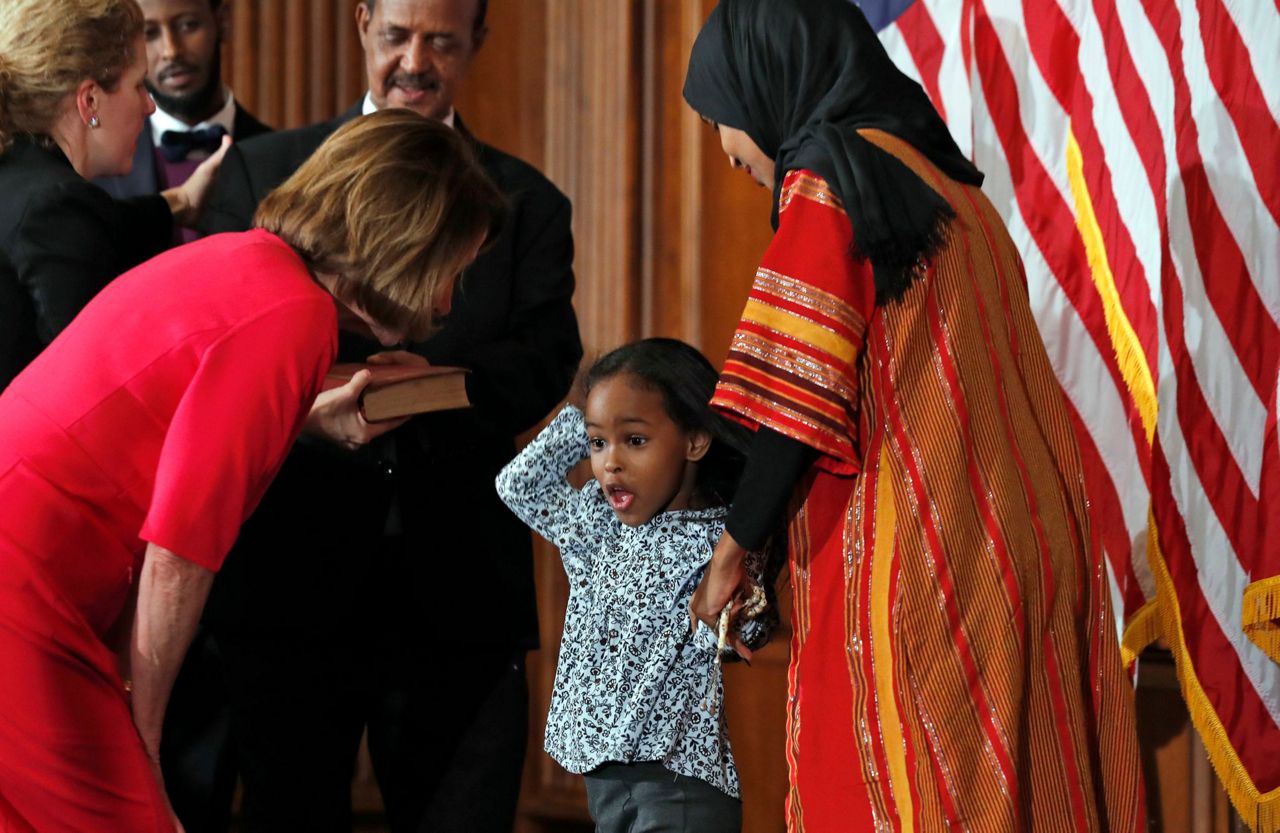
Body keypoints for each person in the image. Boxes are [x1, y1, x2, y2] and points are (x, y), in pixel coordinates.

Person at [682, 1, 1146, 831]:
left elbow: (796, 398)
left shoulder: (828, 178)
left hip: (922, 562)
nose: (725, 147)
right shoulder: (947, 182)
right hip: (1017, 548)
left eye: (719, 116)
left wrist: (733, 549)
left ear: (764, 87)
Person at [0, 109, 504, 833]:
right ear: (402, 240)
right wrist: (144, 736)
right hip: (25, 588)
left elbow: (174, 424)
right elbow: (179, 552)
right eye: (448, 271)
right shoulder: (293, 315)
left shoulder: (249, 263)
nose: (446, 303)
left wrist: (312, 414)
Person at [199, 1, 582, 830]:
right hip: (289, 579)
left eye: (441, 41)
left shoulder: (527, 202)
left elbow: (546, 361)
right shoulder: (264, 173)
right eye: (399, 36)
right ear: (363, 25)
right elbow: (220, 349)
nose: (416, 60)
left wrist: (439, 379)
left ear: (477, 42)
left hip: (458, 592)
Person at [496, 338, 778, 833]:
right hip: (608, 791)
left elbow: (748, 628)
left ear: (694, 440)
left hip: (678, 789)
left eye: (635, 440)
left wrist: (741, 612)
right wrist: (584, 414)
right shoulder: (597, 525)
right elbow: (519, 484)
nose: (610, 463)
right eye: (598, 443)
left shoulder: (723, 541)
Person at [0, 0, 228, 391]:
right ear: (89, 101)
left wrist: (179, 203)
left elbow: (111, 223)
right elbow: (92, 399)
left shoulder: (24, 177)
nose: (149, 104)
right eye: (138, 84)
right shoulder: (56, 204)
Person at [96, 0, 271, 248]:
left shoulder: (282, 160)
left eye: (188, 25)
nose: (171, 51)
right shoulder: (96, 171)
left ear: (222, 21)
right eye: (149, 33)